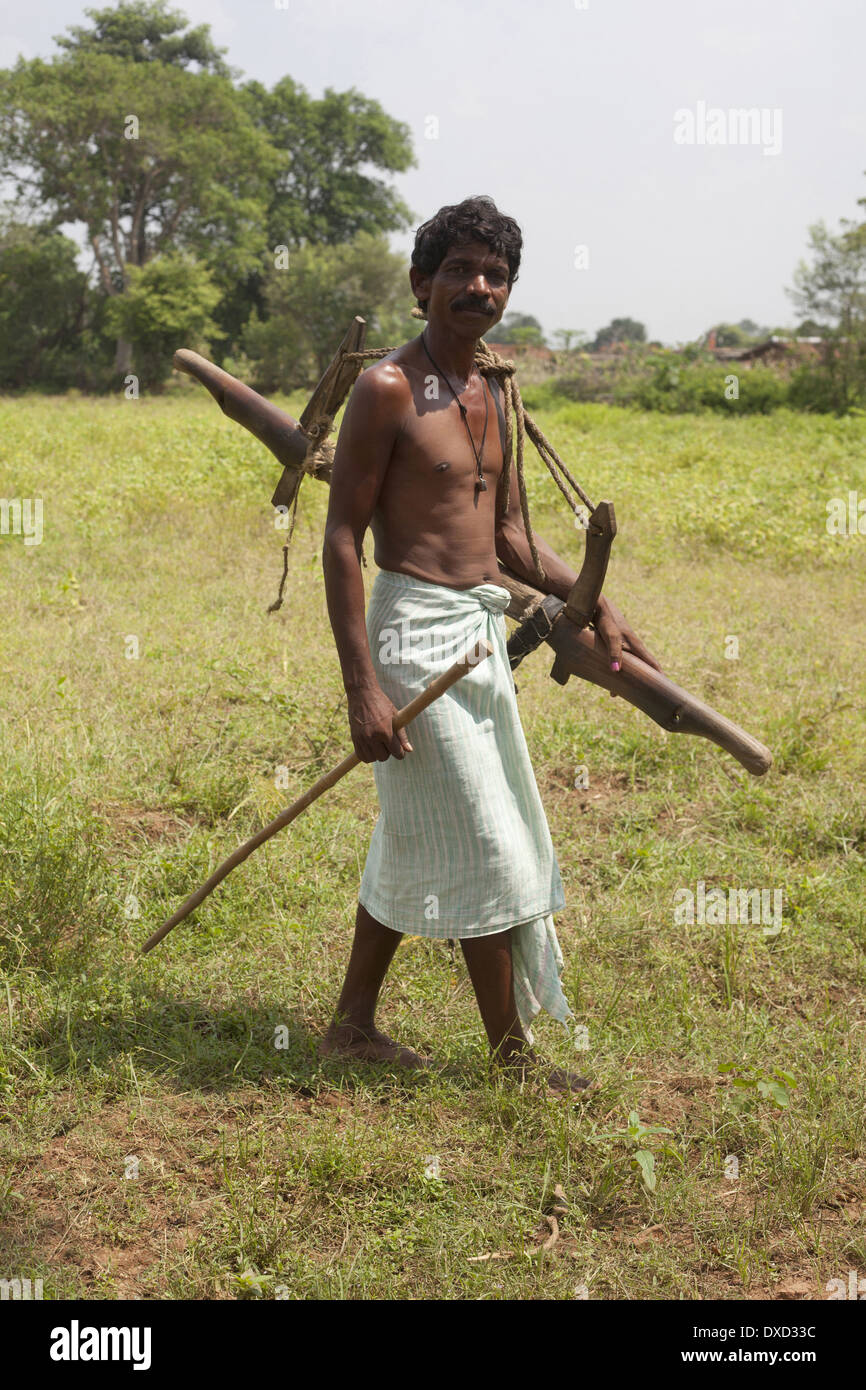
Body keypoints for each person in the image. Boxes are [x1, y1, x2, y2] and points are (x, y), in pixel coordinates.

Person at [320, 196, 661, 1093]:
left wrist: (595, 602)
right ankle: (512, 1058)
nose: (478, 287)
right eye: (460, 271)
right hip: (410, 634)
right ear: (420, 283)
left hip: (475, 632)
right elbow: (343, 541)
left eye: (495, 274)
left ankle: (351, 1027)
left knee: (416, 833)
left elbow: (508, 539)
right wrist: (363, 688)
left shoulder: (492, 391)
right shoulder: (387, 388)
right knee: (486, 838)